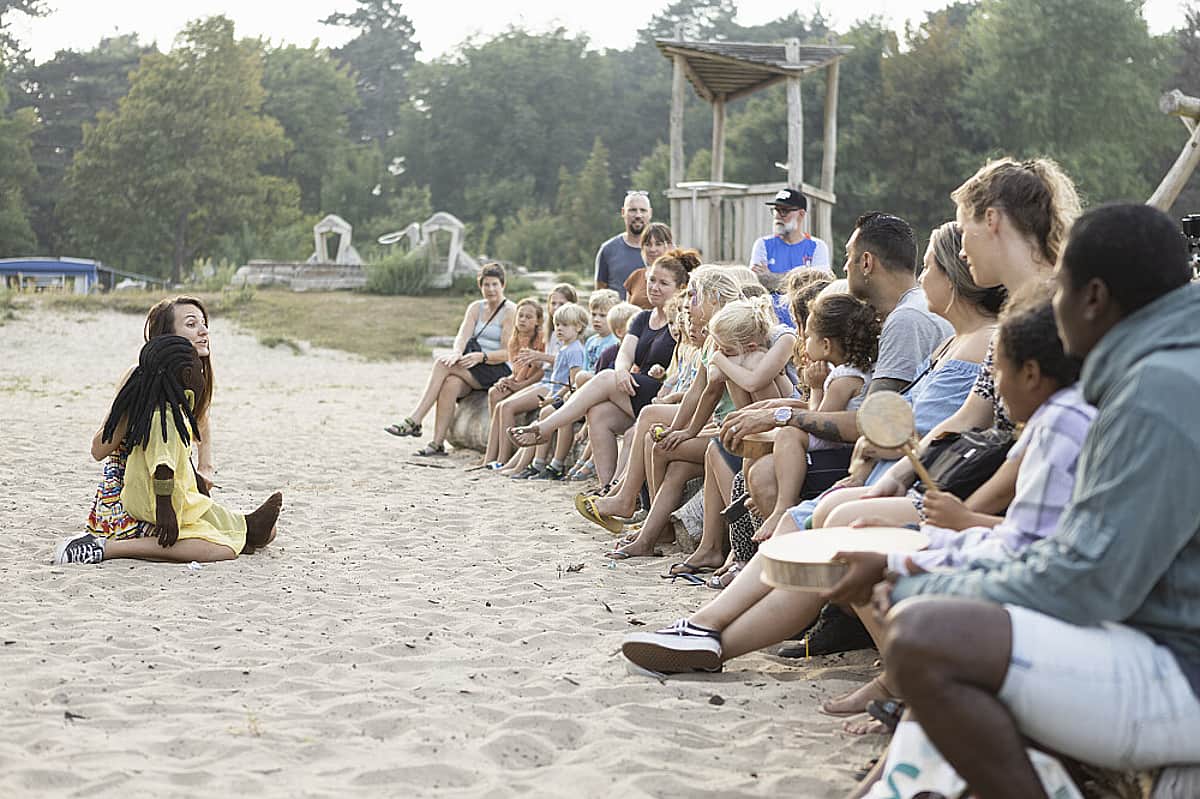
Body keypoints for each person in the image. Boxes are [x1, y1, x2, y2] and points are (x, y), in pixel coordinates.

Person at [836, 203, 1200, 798]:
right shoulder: (1168, 370)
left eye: (1060, 292)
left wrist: (920, 585)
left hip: (1181, 666)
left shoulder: (1158, 392)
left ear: (1094, 298)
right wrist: (911, 560)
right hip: (1162, 637)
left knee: (924, 638)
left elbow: (1086, 582)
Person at [619, 285, 1092, 698]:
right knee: (829, 518)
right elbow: (993, 481)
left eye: (999, 374)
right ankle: (708, 635)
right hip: (964, 515)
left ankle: (719, 637)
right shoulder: (1034, 415)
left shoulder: (1055, 419)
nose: (993, 387)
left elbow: (1039, 535)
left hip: (1004, 553)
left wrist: (960, 518)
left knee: (842, 528)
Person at [812, 158, 1082, 534]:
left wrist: (964, 517)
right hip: (987, 487)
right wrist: (902, 474)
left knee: (845, 520)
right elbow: (970, 414)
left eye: (965, 230)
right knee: (839, 513)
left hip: (1024, 504)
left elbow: (1036, 442)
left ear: (991, 221)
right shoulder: (1017, 310)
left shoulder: (1052, 311)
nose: (962, 250)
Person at [724, 213, 953, 534]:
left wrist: (782, 416)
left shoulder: (907, 320)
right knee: (761, 464)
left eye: (848, 257)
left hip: (892, 464)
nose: (844, 267)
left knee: (764, 472)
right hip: (886, 457)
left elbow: (870, 423)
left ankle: (786, 560)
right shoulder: (900, 314)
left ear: (867, 262)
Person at [55, 336, 283, 564]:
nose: (202, 376)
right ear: (186, 376)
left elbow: (178, 458)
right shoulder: (164, 418)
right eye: (198, 371)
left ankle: (250, 529)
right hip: (155, 503)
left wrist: (198, 481)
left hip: (172, 496)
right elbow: (162, 466)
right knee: (223, 550)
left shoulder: (172, 409)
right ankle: (105, 549)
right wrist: (165, 511)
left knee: (242, 524)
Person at [510, 250, 695, 487]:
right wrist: (621, 371)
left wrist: (656, 372)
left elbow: (683, 364)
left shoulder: (680, 320)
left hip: (661, 392)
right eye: (651, 280)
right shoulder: (642, 318)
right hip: (631, 387)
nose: (654, 287)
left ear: (679, 288)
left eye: (663, 283)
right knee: (598, 414)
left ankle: (545, 428)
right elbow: (625, 353)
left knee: (603, 377)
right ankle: (607, 487)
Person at [85, 296, 218, 544]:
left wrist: (205, 467)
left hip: (173, 491)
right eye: (191, 324)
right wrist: (137, 402)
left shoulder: (194, 377)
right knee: (211, 547)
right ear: (166, 335)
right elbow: (98, 450)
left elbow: (203, 423)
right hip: (128, 497)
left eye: (204, 323)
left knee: (251, 532)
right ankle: (102, 549)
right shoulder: (137, 376)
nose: (204, 331)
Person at [750, 292, 880, 538]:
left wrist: (817, 388)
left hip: (839, 443)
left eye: (808, 336)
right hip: (839, 438)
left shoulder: (843, 378)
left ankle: (783, 506)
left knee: (788, 434)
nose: (804, 340)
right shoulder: (856, 370)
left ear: (826, 344)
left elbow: (819, 420)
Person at [386, 263, 514, 456]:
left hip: (495, 367)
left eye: (495, 284)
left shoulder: (510, 310)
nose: (491, 289)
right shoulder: (475, 308)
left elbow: (508, 352)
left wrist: (482, 356)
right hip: (472, 365)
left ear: (503, 285)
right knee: (450, 383)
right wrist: (456, 352)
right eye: (486, 285)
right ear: (480, 286)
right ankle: (437, 443)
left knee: (440, 364)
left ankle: (415, 419)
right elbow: (462, 336)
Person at [489, 286, 575, 473]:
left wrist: (539, 357)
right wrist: (513, 379)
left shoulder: (571, 333)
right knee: (501, 405)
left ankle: (503, 459)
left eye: (562, 303)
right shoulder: (553, 332)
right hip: (545, 380)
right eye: (553, 303)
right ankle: (492, 457)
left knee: (508, 406)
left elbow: (569, 363)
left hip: (554, 384)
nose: (556, 307)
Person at [507, 303, 590, 480]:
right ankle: (536, 463)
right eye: (557, 324)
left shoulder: (575, 350)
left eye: (565, 325)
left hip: (570, 398)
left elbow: (572, 383)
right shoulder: (564, 348)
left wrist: (554, 399)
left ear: (578, 327)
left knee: (550, 414)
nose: (559, 329)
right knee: (543, 414)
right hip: (557, 395)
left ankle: (556, 464)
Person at [749, 188, 832, 326]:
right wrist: (801, 278)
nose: (778, 216)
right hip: (770, 324)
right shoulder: (762, 244)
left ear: (801, 214)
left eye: (784, 211)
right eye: (776, 210)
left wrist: (771, 277)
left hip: (805, 324)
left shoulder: (817, 246)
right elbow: (755, 283)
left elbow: (818, 287)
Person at [479, 297, 545, 468]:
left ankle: (503, 456)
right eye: (520, 316)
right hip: (520, 380)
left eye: (528, 317)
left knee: (505, 405)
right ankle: (490, 454)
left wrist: (519, 386)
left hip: (534, 383)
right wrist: (507, 380)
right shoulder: (514, 340)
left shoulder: (541, 341)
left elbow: (539, 372)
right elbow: (516, 370)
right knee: (494, 392)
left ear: (538, 321)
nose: (523, 320)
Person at [595, 191, 653, 300]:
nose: (638, 215)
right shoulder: (608, 250)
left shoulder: (662, 251)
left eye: (643, 210)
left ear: (650, 213)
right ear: (623, 212)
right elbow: (599, 296)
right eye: (632, 210)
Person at [623, 222, 672, 309]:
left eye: (658, 244)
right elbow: (627, 313)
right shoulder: (636, 276)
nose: (652, 249)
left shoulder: (678, 276)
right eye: (648, 244)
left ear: (669, 246)